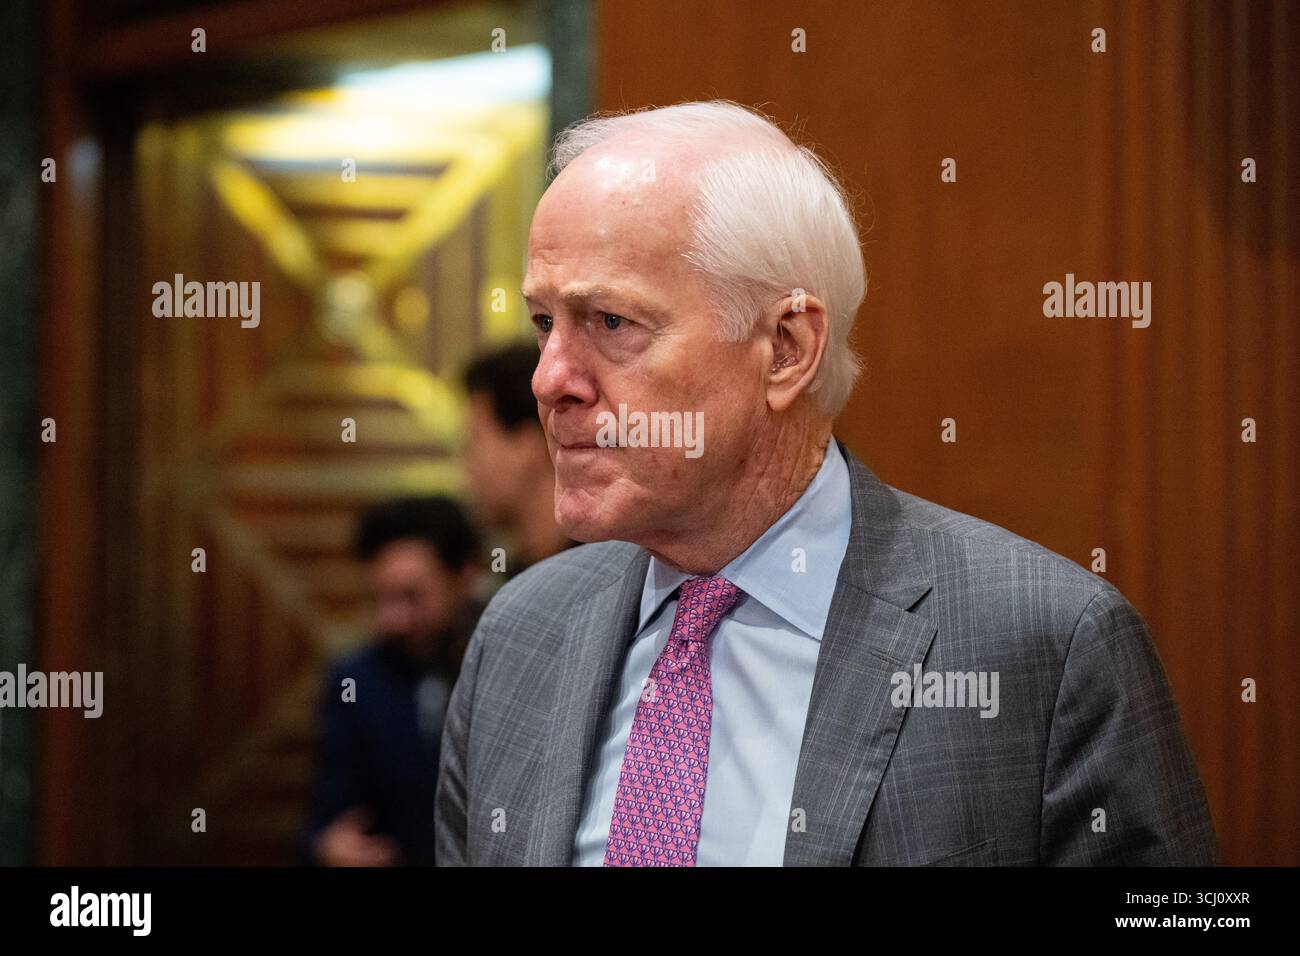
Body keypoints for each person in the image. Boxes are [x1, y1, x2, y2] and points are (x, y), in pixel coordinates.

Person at [434, 101, 1217, 866]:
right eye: (544, 324)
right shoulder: (520, 636)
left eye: (609, 322)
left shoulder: (1045, 645)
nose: (550, 379)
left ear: (784, 349)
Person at [305, 496, 482, 866]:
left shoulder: (504, 669)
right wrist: (327, 846)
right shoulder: (356, 682)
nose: (392, 620)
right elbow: (327, 815)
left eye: (411, 597)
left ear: (465, 578)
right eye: (379, 599)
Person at [463, 344, 574, 579]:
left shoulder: (610, 576)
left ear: (526, 447)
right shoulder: (508, 580)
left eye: (474, 442)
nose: (467, 467)